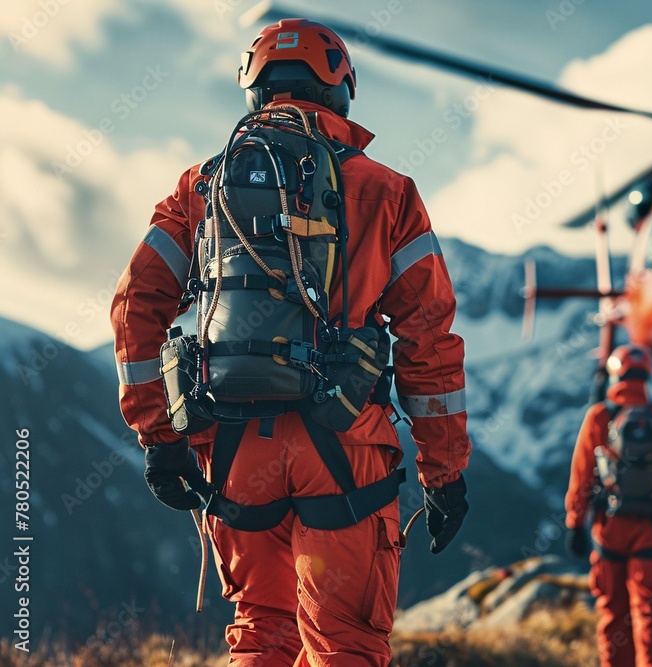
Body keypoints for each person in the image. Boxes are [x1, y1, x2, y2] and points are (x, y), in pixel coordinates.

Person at [111, 18, 471, 667]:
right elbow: (430, 342)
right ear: (339, 88)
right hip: (344, 448)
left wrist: (159, 437)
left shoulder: (198, 188)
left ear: (255, 89)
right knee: (346, 646)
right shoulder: (388, 192)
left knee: (263, 631)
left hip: (233, 448)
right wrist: (443, 472)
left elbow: (136, 305)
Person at [564, 344, 652, 667]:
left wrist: (575, 523)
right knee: (650, 614)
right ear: (647, 374)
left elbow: (581, 475)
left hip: (610, 529)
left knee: (612, 615)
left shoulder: (599, 416)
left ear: (614, 373)